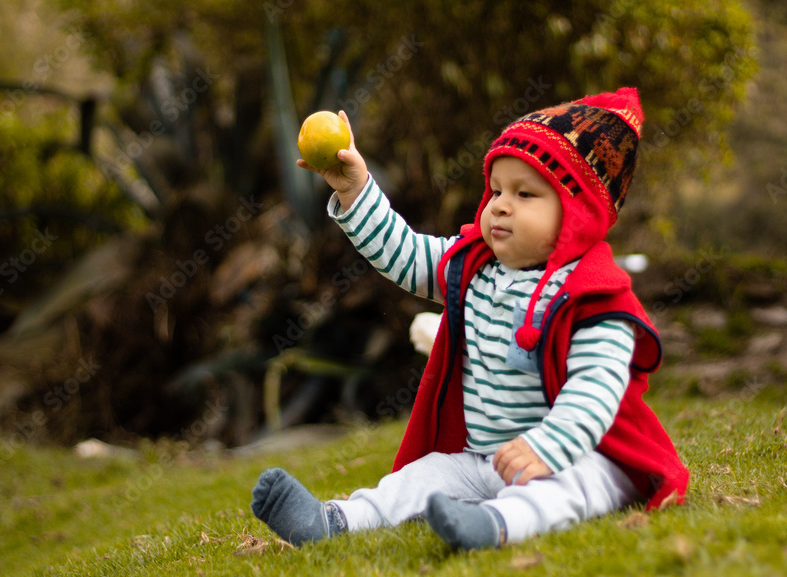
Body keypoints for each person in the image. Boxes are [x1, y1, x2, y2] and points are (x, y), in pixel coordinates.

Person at [250, 88, 689, 550]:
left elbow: (596, 389)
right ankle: (334, 520)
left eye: (524, 193)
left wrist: (547, 448)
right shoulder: (474, 267)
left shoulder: (593, 296)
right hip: (484, 460)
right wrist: (354, 190)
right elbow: (408, 255)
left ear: (577, 213)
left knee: (578, 486)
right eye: (496, 189)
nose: (500, 204)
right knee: (423, 476)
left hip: (576, 455)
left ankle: (494, 526)